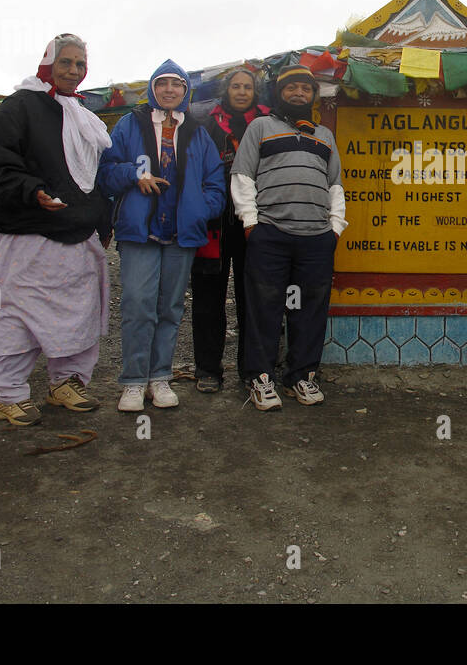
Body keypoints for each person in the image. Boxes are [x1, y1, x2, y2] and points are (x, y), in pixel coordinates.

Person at [0, 33, 112, 426]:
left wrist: (102, 220)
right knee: (18, 314)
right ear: (47, 63)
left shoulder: (84, 117)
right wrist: (31, 191)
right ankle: (8, 393)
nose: (73, 71)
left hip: (78, 237)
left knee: (78, 315)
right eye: (66, 62)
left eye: (80, 65)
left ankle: (65, 383)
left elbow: (92, 179)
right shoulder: (20, 107)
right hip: (30, 237)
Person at [99, 61, 225, 413]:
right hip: (140, 231)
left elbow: (215, 183)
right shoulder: (130, 124)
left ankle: (160, 377)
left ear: (186, 91)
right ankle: (134, 381)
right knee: (138, 304)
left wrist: (198, 209)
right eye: (163, 83)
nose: (169, 89)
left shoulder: (197, 131)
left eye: (177, 84)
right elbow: (105, 172)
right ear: (153, 88)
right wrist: (133, 174)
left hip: (181, 233)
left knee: (169, 307)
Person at [231, 65, 345, 411]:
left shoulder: (324, 135)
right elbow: (242, 175)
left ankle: (301, 375)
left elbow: (335, 184)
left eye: (305, 89)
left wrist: (334, 228)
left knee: (309, 310)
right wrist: (251, 224)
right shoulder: (261, 127)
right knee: (264, 307)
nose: (299, 94)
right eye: (291, 88)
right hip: (271, 236)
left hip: (315, 240)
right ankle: (260, 378)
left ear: (312, 96)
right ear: (279, 93)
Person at [189, 67, 269, 393]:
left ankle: (252, 369)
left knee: (254, 297)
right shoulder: (205, 124)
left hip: (254, 221)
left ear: (255, 91)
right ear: (227, 90)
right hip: (213, 223)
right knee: (209, 298)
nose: (240, 91)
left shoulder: (267, 123)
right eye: (235, 86)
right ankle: (208, 369)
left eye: (247, 87)